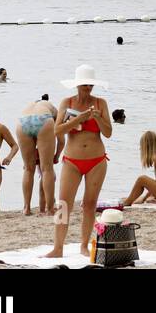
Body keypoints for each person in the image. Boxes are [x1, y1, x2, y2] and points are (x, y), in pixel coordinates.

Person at [47, 64, 113, 258]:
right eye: (85, 85)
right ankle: (58, 248)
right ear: (77, 85)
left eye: (90, 85)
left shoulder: (101, 103)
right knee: (63, 205)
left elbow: (108, 133)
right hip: (72, 161)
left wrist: (98, 118)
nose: (88, 88)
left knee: (90, 204)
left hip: (97, 160)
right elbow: (57, 130)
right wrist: (79, 119)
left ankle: (84, 245)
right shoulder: (66, 102)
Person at [17, 96, 59, 216]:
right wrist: (56, 155)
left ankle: (26, 208)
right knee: (47, 169)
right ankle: (50, 209)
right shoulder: (51, 107)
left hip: (23, 121)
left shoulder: (30, 106)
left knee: (28, 168)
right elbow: (60, 135)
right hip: (44, 120)